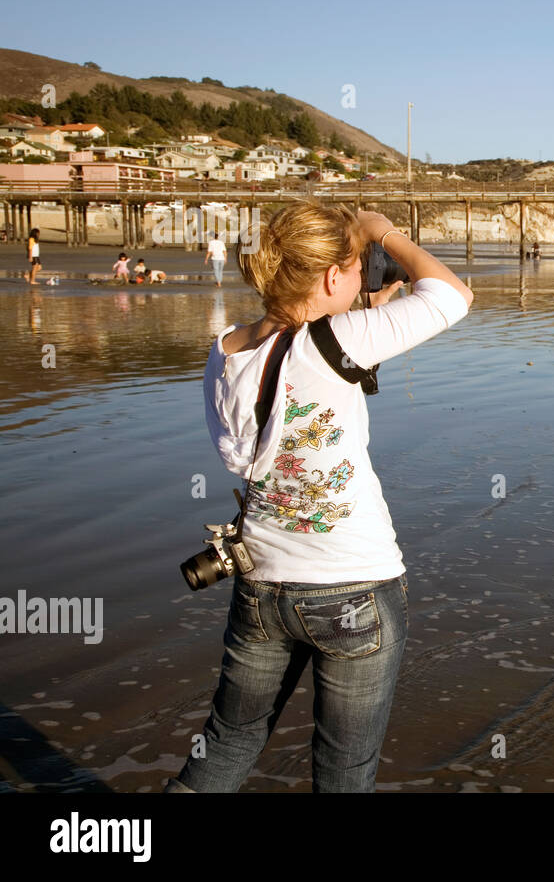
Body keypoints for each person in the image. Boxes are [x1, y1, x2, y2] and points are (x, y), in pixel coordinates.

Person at [165, 201, 473, 793]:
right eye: (358, 268)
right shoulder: (339, 340)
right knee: (343, 771)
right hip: (354, 587)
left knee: (226, 744)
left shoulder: (226, 349)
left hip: (262, 588)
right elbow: (452, 296)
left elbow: (253, 440)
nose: (364, 279)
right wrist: (382, 229)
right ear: (332, 276)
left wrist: (365, 307)